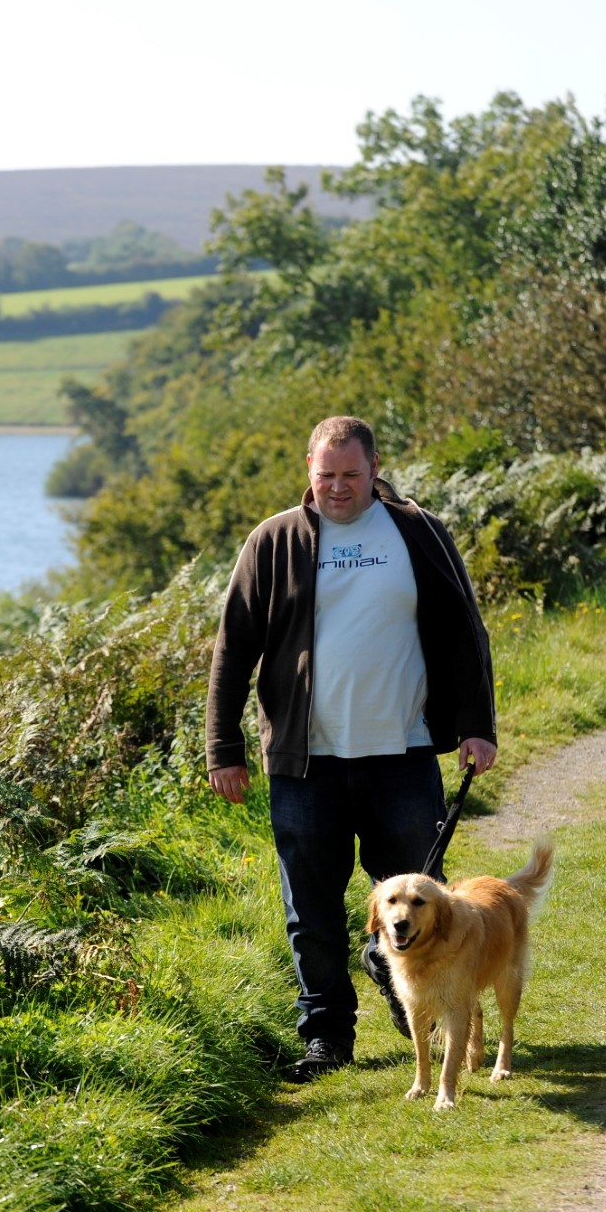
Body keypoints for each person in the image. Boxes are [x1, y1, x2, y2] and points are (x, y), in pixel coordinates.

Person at [208, 415, 499, 1081]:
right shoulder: (274, 541)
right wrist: (223, 747)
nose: (337, 487)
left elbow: (464, 632)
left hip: (403, 753)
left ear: (375, 470)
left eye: (350, 475)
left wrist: (477, 725)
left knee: (424, 903)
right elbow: (233, 649)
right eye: (326, 476)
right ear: (309, 473)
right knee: (310, 911)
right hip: (306, 762)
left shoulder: (417, 532)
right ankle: (327, 1039)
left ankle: (410, 988)